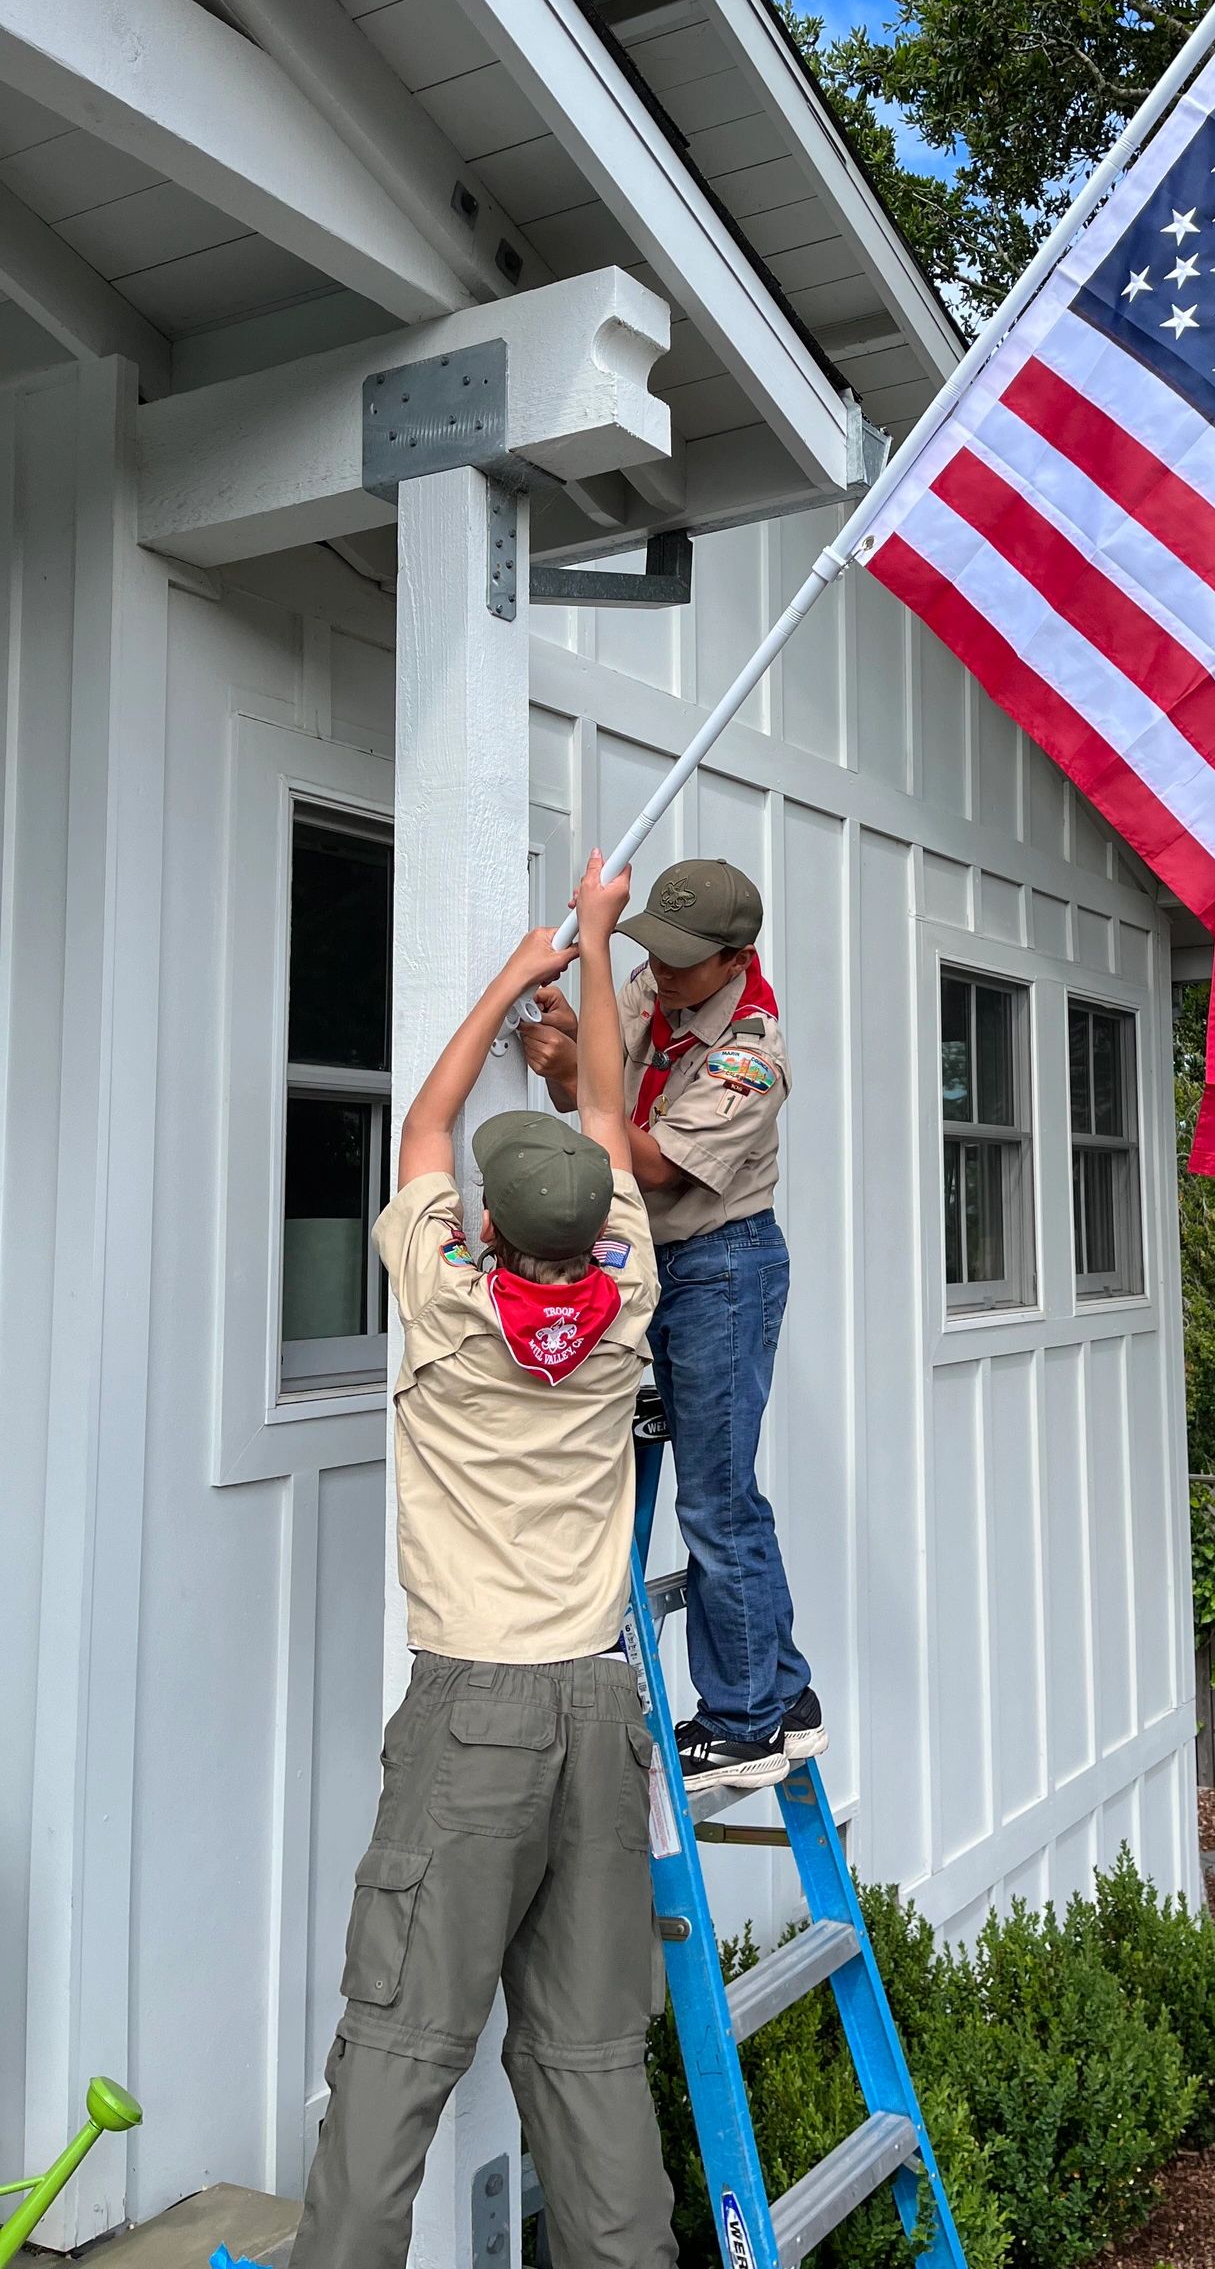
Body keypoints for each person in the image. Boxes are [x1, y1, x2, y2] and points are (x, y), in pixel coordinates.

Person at [292, 856, 677, 2269]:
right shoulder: (627, 1298)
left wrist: (522, 969)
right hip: (598, 1712)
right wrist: (595, 940)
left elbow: (426, 1128)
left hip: (477, 1723)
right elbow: (606, 1111)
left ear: (491, 1238)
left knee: (397, 2052)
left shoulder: (450, 1318)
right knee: (590, 2064)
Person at [519, 857, 818, 1796]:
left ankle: (741, 1725)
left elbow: (645, 1162)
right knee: (725, 1498)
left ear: (738, 959)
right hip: (665, 1266)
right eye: (655, 951)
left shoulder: (753, 1057)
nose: (665, 974)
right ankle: (783, 1694)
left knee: (718, 1505)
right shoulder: (661, 981)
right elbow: (602, 1078)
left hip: (723, 1270)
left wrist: (590, 994)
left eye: (687, 963)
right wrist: (573, 1042)